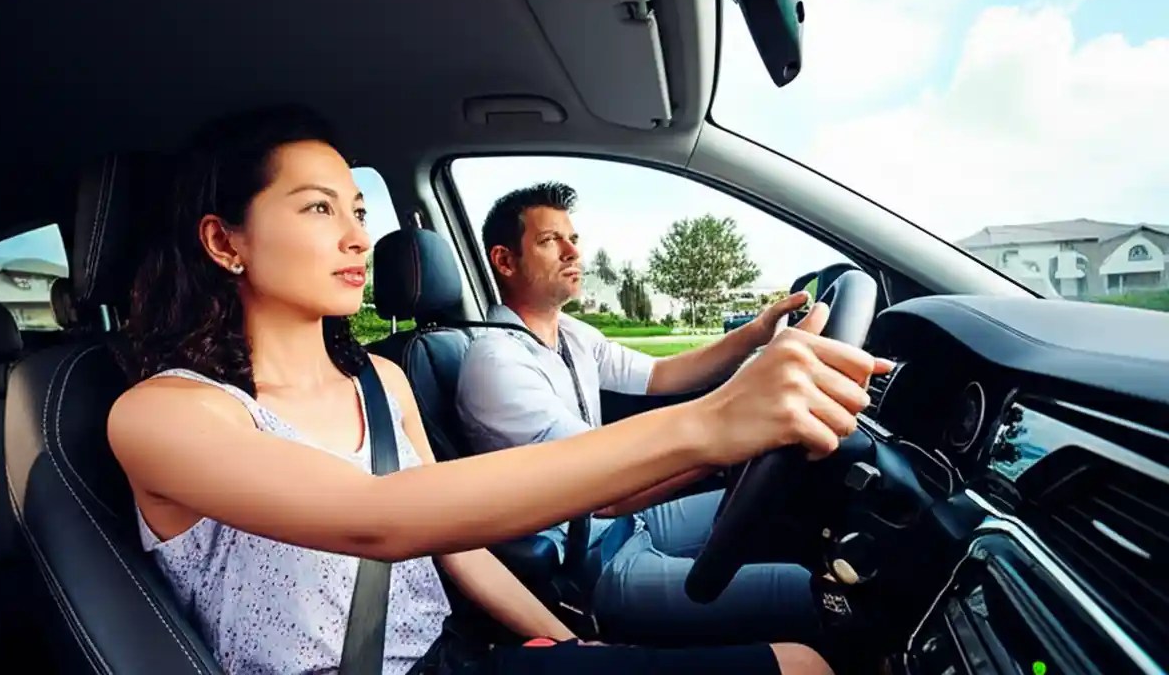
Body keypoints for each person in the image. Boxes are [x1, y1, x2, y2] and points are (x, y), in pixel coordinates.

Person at [108, 105, 889, 675]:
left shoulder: (378, 382)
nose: (357, 236)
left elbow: (450, 539)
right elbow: (379, 522)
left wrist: (566, 638)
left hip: (461, 658)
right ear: (223, 241)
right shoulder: (163, 414)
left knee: (799, 663)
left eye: (358, 209)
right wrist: (710, 425)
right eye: (318, 208)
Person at [454, 182, 845, 648]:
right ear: (504, 261)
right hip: (591, 560)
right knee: (810, 596)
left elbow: (664, 373)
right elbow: (601, 492)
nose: (570, 251)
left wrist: (757, 335)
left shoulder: (572, 335)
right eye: (548, 241)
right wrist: (736, 437)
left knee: (797, 502)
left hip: (631, 520)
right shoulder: (496, 361)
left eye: (572, 238)